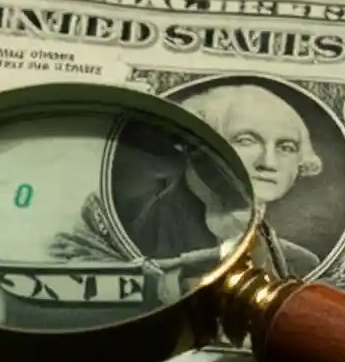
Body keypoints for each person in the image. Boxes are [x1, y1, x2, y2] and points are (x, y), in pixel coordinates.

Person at [113, 82, 326, 282]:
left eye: (286, 147)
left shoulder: (301, 263)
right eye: (246, 141)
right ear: (195, 145)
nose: (268, 163)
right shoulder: (136, 228)